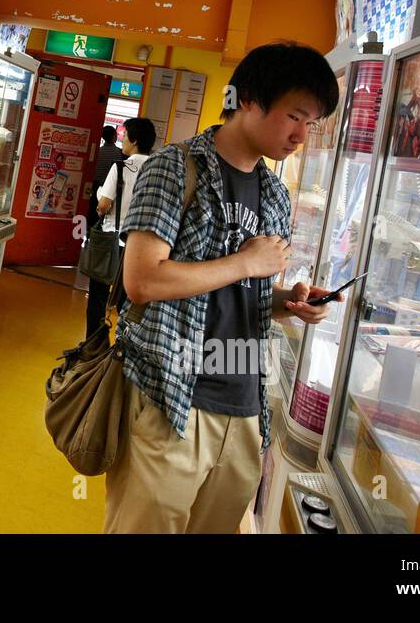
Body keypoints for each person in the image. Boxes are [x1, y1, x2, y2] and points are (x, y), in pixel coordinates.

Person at [106, 42, 342, 534]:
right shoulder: (173, 168)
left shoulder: (275, 194)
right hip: (171, 398)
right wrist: (244, 262)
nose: (301, 135)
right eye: (295, 116)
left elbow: (245, 294)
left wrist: (289, 303)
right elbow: (143, 280)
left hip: (244, 404)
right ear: (251, 99)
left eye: (312, 123)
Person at [85, 117, 155, 339]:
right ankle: (121, 349)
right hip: (141, 246)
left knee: (98, 297)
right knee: (128, 301)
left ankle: (94, 344)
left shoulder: (121, 167)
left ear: (134, 140)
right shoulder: (158, 170)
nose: (122, 139)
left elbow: (103, 206)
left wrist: (99, 197)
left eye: (125, 136)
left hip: (111, 241)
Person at [88, 125, 123, 225]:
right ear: (113, 137)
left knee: (93, 208)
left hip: (95, 185)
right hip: (107, 186)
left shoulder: (98, 151)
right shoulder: (117, 153)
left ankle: (90, 231)